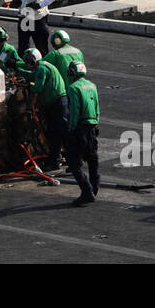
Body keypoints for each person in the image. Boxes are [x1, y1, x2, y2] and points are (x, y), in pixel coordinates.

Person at [23, 47, 67, 171]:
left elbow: (37, 88)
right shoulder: (42, 66)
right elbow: (32, 76)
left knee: (56, 133)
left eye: (29, 61)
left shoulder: (42, 68)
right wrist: (19, 70)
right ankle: (60, 158)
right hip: (56, 103)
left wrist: (28, 87)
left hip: (57, 104)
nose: (28, 64)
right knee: (55, 132)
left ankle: (56, 161)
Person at [65, 62, 101, 206]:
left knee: (73, 163)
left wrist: (71, 128)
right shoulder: (92, 85)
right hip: (92, 127)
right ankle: (94, 189)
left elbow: (75, 110)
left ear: (72, 73)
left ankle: (86, 191)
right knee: (93, 161)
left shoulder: (73, 88)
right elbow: (97, 106)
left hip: (80, 128)